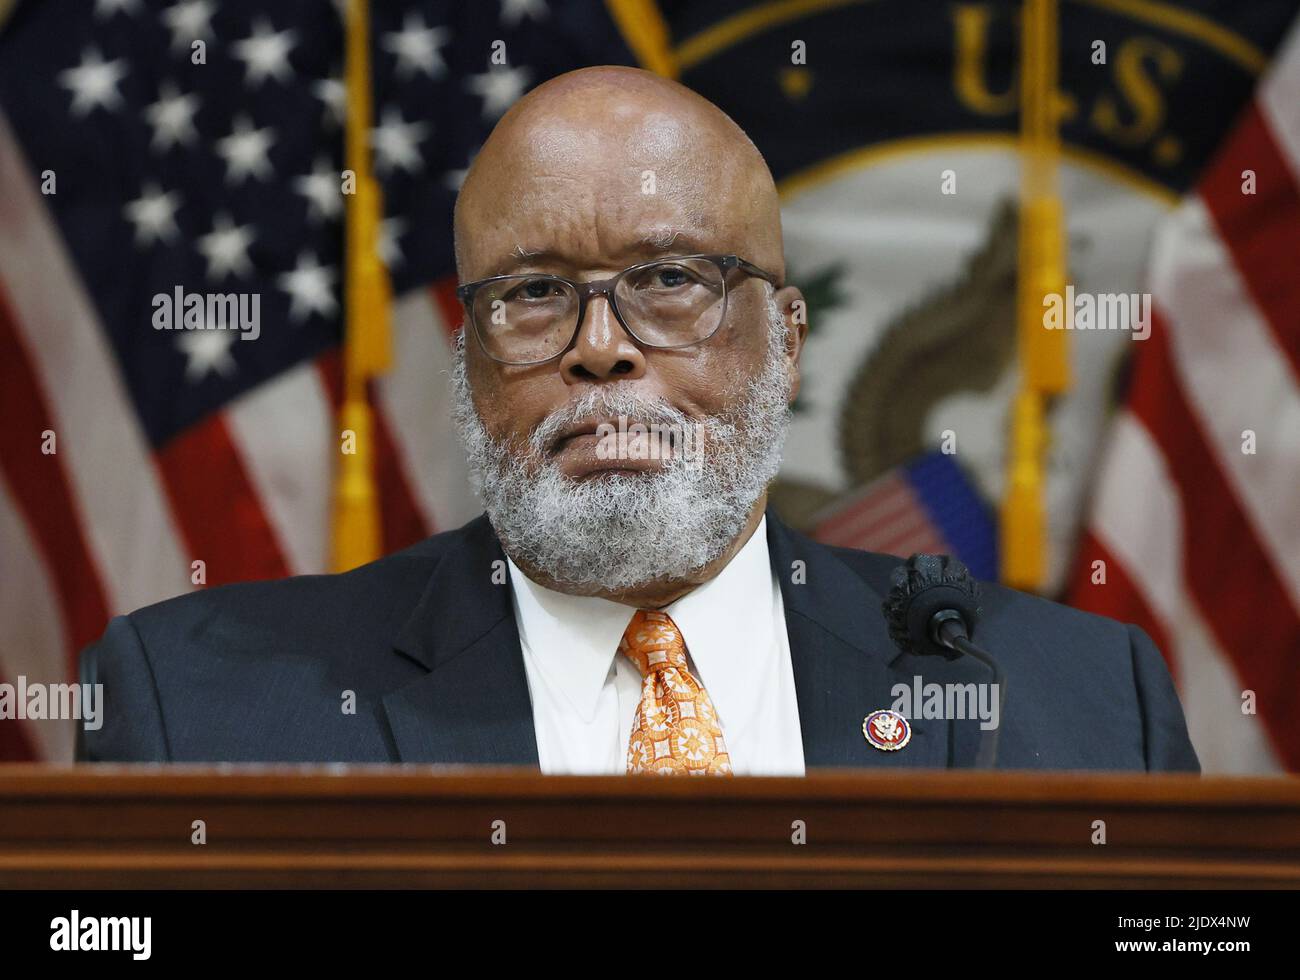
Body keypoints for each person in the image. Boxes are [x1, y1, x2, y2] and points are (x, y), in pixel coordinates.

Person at [78, 66, 1199, 775]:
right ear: (467, 359)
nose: (600, 345)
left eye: (669, 279)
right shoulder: (204, 712)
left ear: (787, 339)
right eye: (531, 293)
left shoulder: (1083, 704)